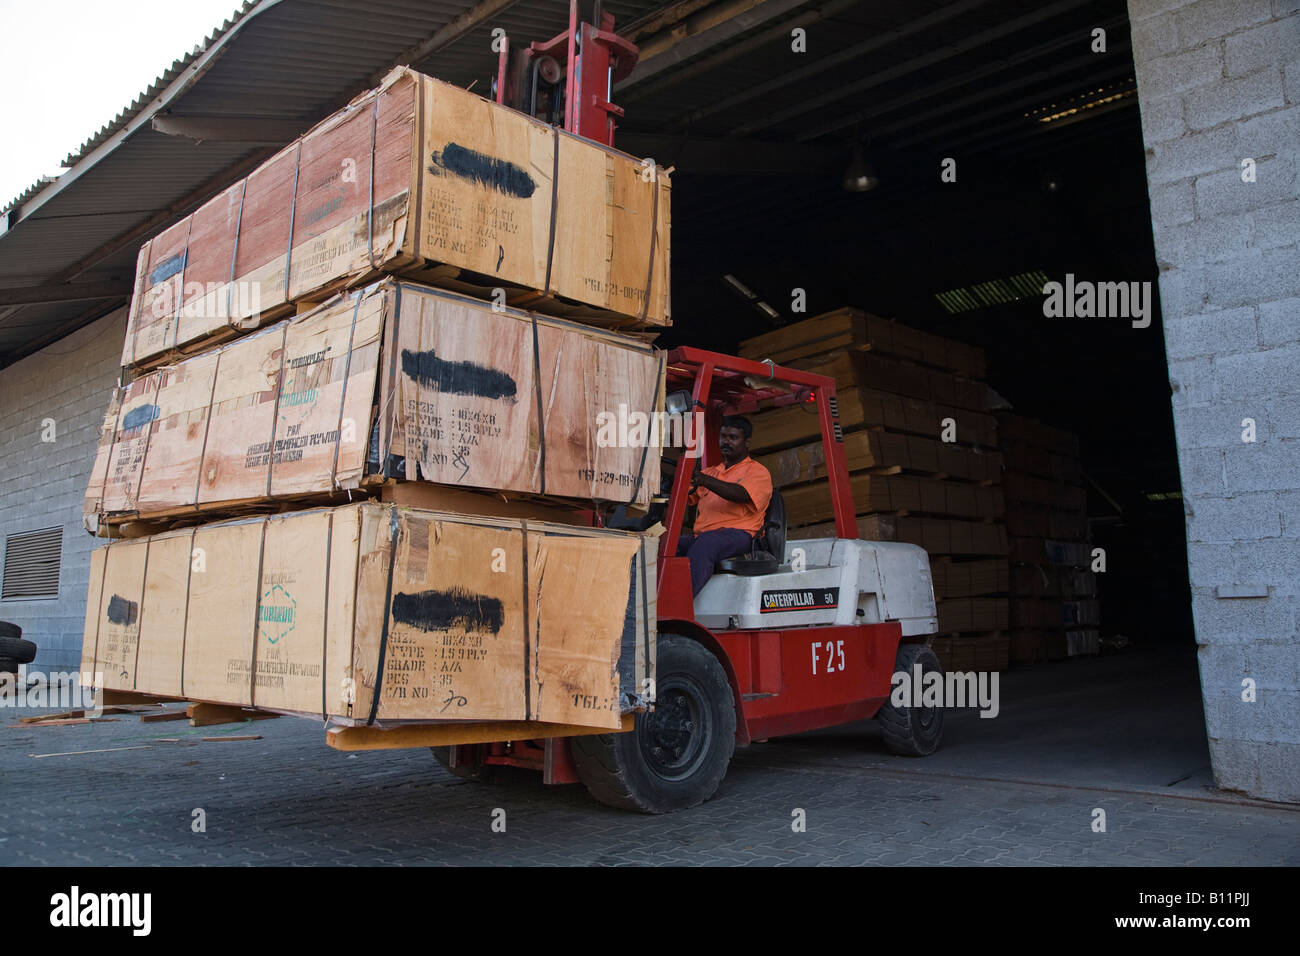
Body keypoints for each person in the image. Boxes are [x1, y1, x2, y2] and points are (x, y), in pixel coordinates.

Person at [676, 415, 773, 596]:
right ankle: (650, 602)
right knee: (668, 544)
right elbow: (685, 496)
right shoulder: (712, 472)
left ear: (747, 442)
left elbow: (740, 494)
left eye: (733, 437)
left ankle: (681, 602)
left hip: (741, 536)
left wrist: (704, 479)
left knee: (707, 544)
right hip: (704, 536)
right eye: (723, 437)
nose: (726, 442)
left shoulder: (757, 471)